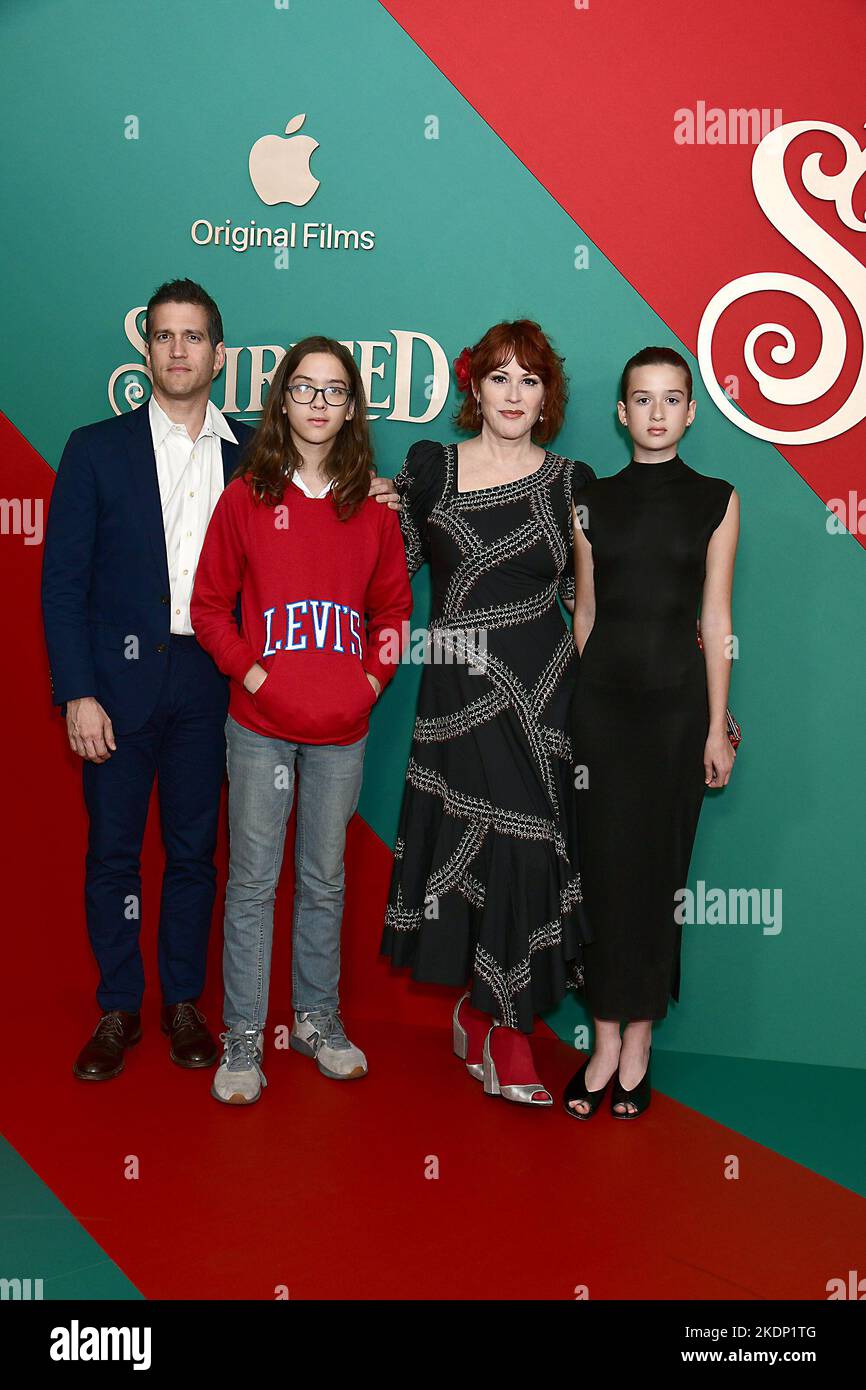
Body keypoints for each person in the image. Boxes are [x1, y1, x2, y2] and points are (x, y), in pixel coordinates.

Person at [41, 282, 399, 1083]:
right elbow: (62, 585)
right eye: (164, 336)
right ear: (146, 350)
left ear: (218, 355)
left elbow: (327, 512)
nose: (177, 350)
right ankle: (118, 1007)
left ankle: (183, 1005)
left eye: (193, 337)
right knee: (113, 854)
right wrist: (77, 691)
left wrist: (371, 489)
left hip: (215, 689)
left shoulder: (256, 461)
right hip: (117, 687)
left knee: (199, 855)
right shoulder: (94, 448)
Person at [191, 337, 412, 1105]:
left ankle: (317, 1020)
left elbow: (393, 611)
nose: (319, 404)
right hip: (257, 727)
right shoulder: (246, 495)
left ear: (352, 407)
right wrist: (255, 672)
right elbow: (209, 607)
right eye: (305, 389)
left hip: (342, 731)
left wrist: (370, 683)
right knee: (252, 883)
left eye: (335, 391)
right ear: (282, 400)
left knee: (324, 879)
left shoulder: (373, 510)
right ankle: (246, 1037)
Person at [381, 320, 595, 1106]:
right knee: (484, 850)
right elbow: (385, 571)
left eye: (530, 381)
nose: (514, 394)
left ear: (547, 398)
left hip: (545, 696)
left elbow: (588, 603)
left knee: (531, 851)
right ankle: (506, 1037)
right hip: (458, 696)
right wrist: (353, 495)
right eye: (499, 377)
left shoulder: (574, 482)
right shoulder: (429, 467)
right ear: (474, 387)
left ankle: (487, 1019)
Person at [564, 346, 739, 1120]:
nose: (658, 412)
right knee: (601, 874)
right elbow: (587, 612)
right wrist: (572, 712)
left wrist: (716, 727)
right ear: (622, 411)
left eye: (673, 399)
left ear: (692, 411)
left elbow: (717, 617)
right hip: (600, 714)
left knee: (656, 877)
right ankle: (602, 1040)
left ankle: (640, 1043)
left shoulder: (718, 499)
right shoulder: (589, 499)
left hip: (674, 717)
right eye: (643, 399)